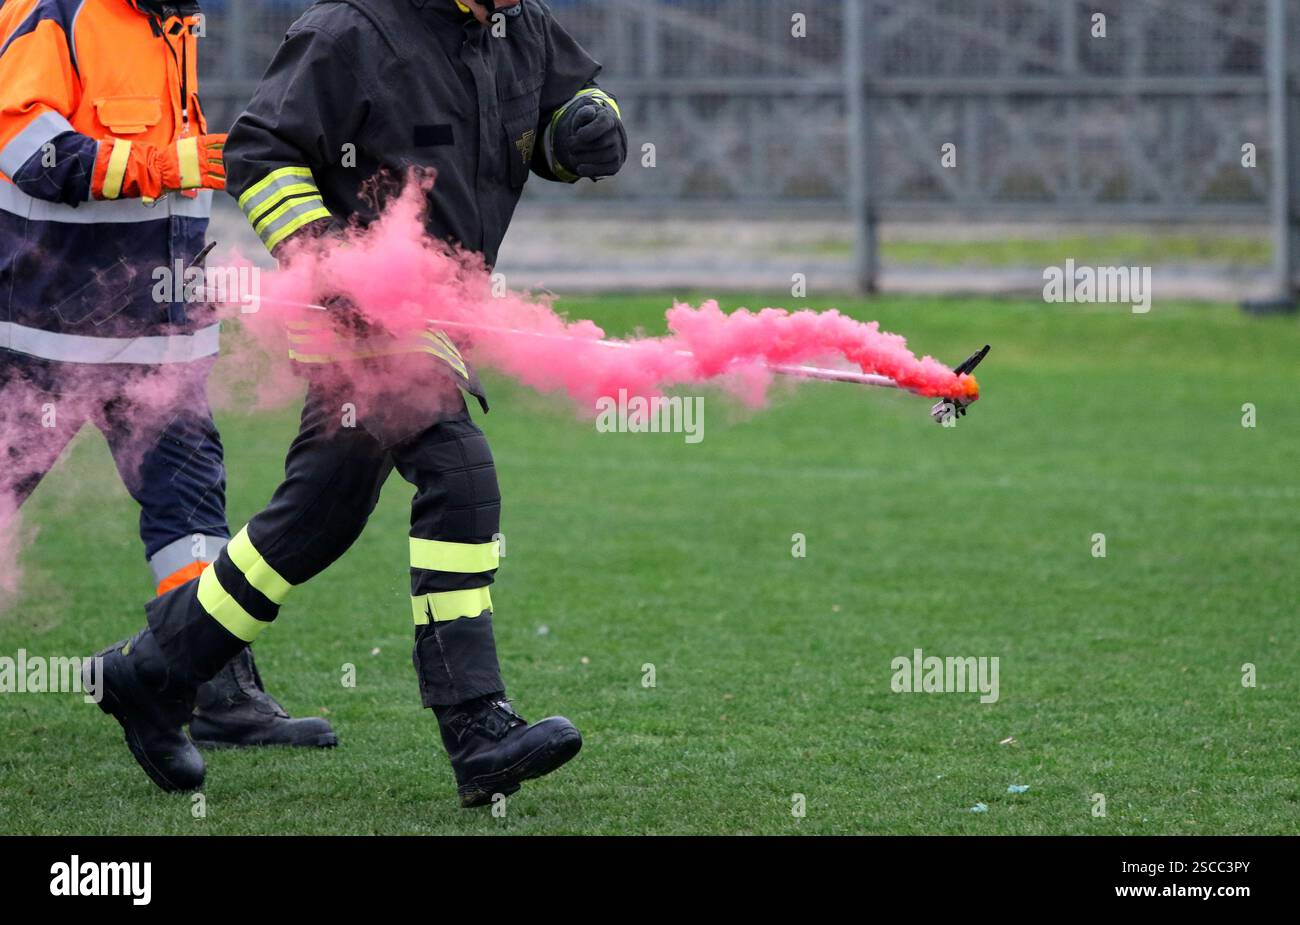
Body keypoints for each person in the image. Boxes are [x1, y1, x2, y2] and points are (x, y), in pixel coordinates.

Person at [90, 0, 628, 807]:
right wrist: (338, 270)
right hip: (357, 318)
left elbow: (548, 121)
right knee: (460, 475)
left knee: (316, 517)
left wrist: (585, 130)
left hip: (442, 316)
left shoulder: (522, 23)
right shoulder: (348, 30)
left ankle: (152, 672)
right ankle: (476, 724)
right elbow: (260, 154)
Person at [0, 0, 337, 750]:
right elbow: (31, 152)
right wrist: (167, 165)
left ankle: (210, 683)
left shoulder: (168, 24)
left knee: (191, 518)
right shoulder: (55, 14)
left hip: (156, 336)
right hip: (41, 330)